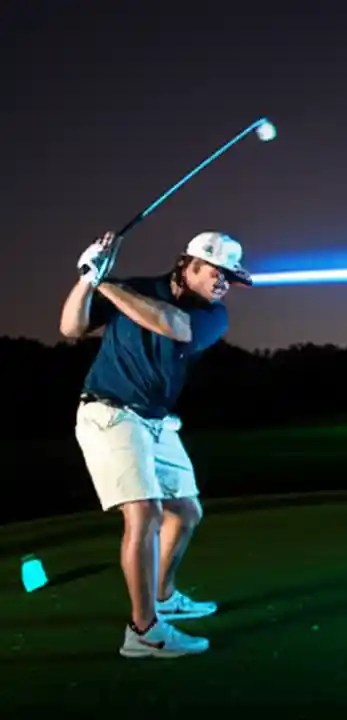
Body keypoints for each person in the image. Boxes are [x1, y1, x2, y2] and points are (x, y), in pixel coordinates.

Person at [59, 230, 253, 658]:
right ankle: (143, 630)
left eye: (230, 278)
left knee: (186, 511)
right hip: (109, 413)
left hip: (156, 421)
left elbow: (172, 324)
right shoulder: (136, 288)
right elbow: (71, 327)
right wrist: (87, 280)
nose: (224, 284)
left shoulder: (212, 315)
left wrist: (104, 281)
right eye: (219, 273)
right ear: (189, 264)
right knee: (144, 513)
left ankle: (163, 597)